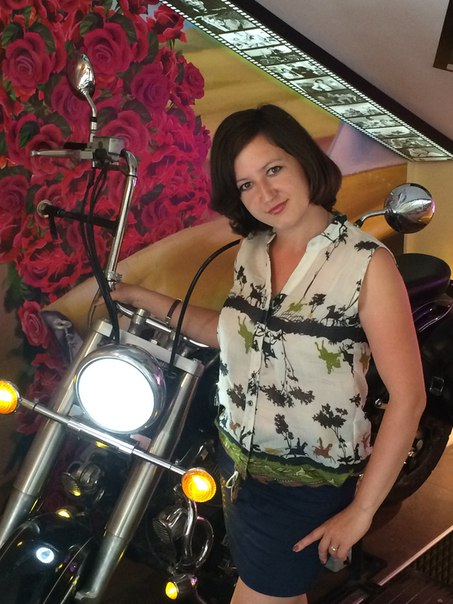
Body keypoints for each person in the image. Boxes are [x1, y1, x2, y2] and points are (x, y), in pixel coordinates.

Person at [109, 104, 426, 604]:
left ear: (303, 160)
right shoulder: (252, 250)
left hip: (303, 486)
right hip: (236, 469)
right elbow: (231, 331)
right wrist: (139, 297)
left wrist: (362, 512)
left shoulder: (366, 264)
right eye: (246, 184)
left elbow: (409, 398)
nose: (266, 193)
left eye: (274, 169)